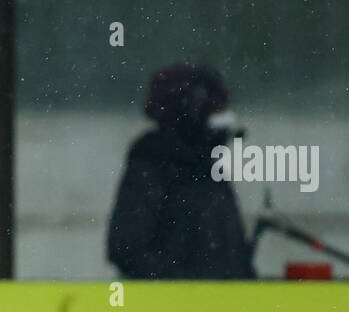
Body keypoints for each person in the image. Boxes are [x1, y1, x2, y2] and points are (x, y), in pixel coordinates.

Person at [107, 63, 256, 280]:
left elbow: (231, 257)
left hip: (224, 309)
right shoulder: (153, 166)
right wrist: (186, 289)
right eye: (214, 108)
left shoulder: (209, 170)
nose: (224, 119)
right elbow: (126, 249)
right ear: (190, 110)